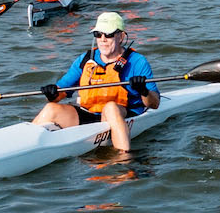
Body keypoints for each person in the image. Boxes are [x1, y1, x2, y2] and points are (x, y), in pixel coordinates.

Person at [33, 11, 160, 151]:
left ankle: (124, 159)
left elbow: (154, 104)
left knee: (111, 108)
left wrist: (143, 91)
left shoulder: (137, 61)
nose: (103, 39)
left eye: (108, 34)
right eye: (98, 34)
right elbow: (60, 93)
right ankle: (26, 146)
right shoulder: (85, 59)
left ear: (121, 36)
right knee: (50, 108)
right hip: (90, 113)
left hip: (123, 113)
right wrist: (51, 94)